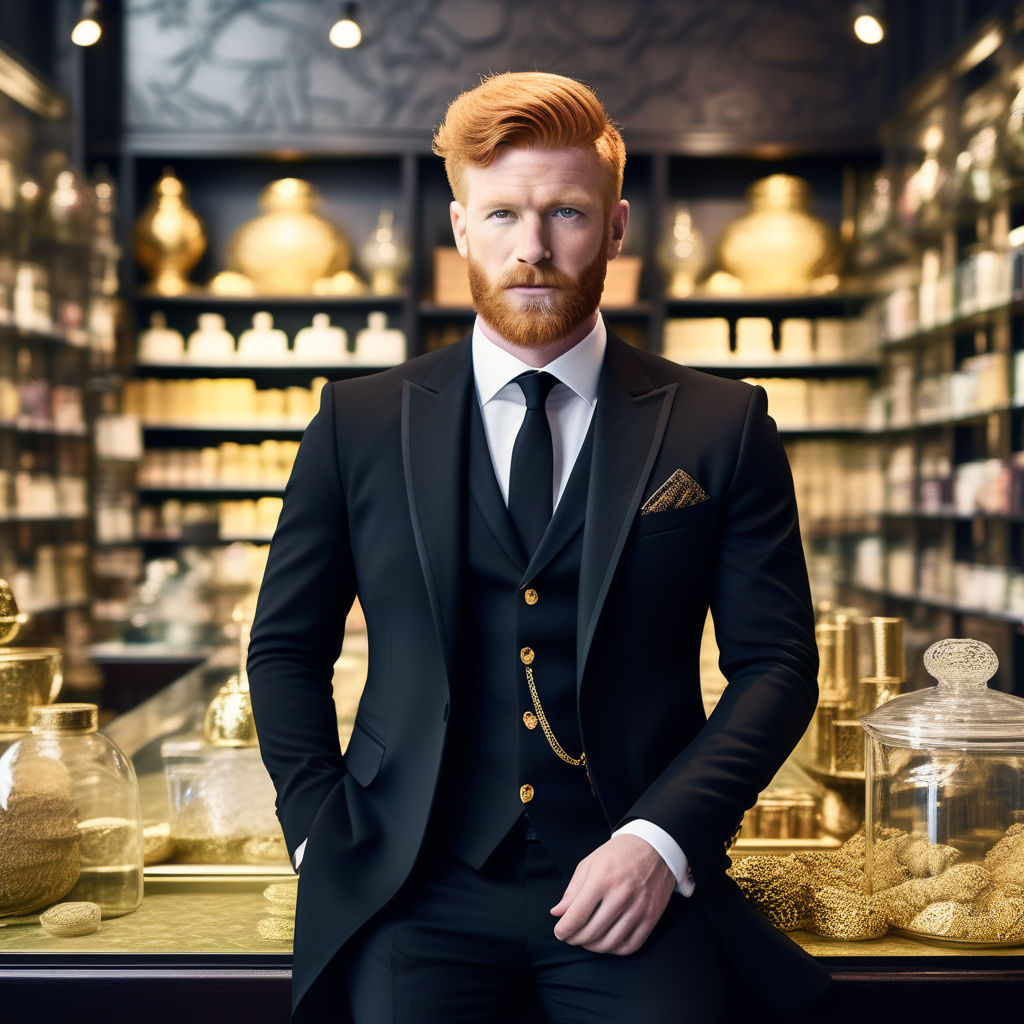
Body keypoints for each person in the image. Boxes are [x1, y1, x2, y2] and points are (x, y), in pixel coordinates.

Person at [247, 70, 826, 1024]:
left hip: (629, 875)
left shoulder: (721, 424)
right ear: (460, 227)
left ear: (617, 227)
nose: (533, 248)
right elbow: (284, 647)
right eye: (503, 214)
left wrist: (661, 841)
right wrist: (317, 832)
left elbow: (776, 665)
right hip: (409, 880)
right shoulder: (358, 422)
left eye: (566, 212)